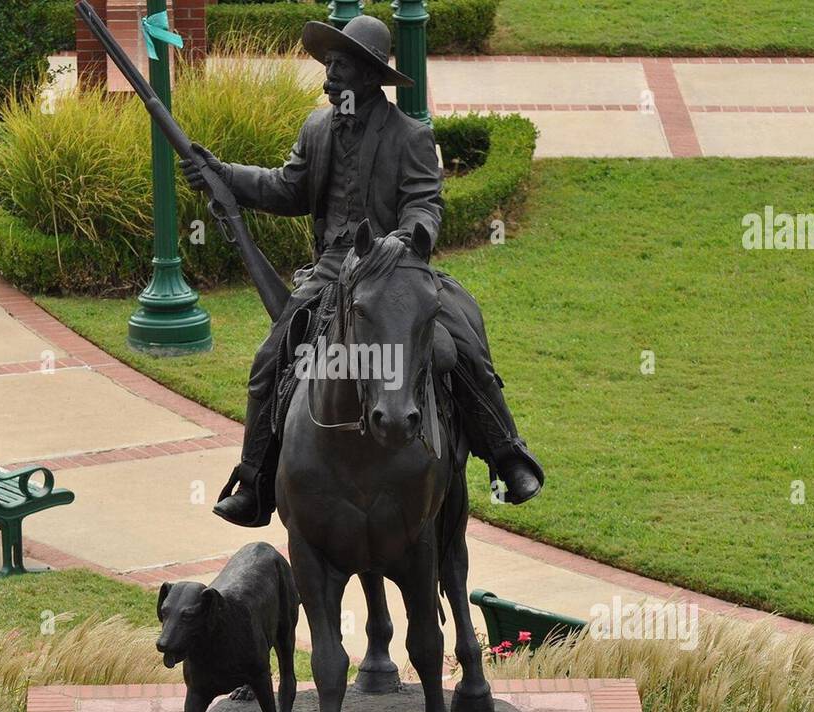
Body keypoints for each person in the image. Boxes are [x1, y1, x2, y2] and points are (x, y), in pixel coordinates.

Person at [180, 16, 543, 527]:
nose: (329, 77)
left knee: (458, 343)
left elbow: (425, 204)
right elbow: (288, 188)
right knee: (269, 362)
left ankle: (507, 454)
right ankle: (256, 480)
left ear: (371, 78)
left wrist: (406, 240)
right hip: (331, 273)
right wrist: (224, 174)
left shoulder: (410, 136)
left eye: (341, 66)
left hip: (395, 271)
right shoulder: (316, 128)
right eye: (328, 65)